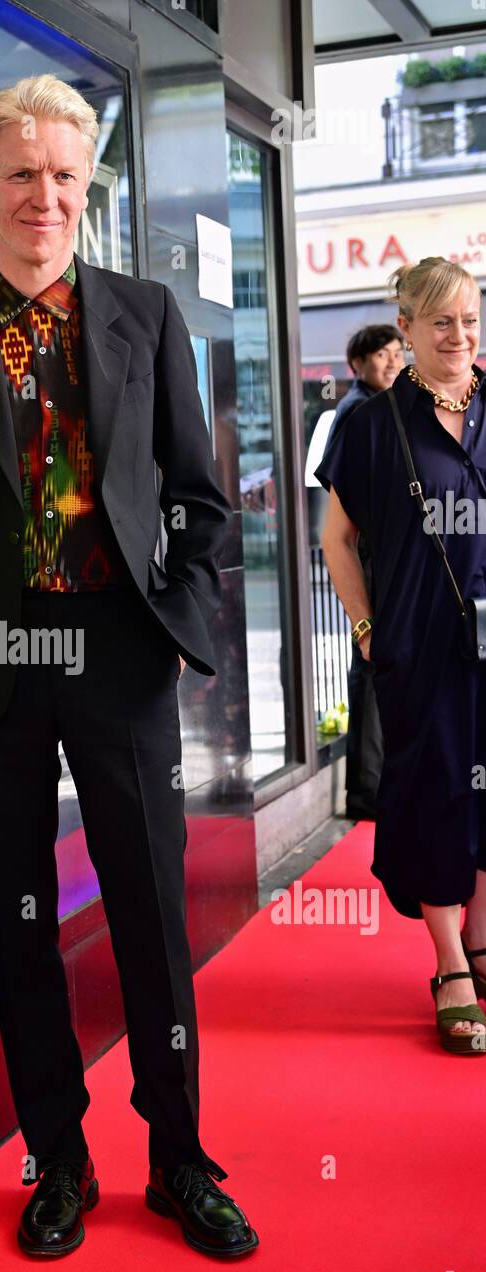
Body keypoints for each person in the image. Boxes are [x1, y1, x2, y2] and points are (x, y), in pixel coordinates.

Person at [0, 74, 258, 1258]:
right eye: (22, 172)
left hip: (118, 652)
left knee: (149, 914)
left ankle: (181, 1156)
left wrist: (178, 626)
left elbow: (200, 498)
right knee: (22, 918)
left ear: (85, 187)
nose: (45, 195)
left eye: (65, 175)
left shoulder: (147, 315)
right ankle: (59, 1159)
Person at [316, 256, 486, 1054]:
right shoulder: (373, 424)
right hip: (420, 642)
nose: (459, 336)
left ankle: (480, 940)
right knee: (438, 790)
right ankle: (451, 963)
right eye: (442, 321)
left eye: (471, 319)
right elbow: (336, 539)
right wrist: (365, 625)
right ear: (407, 328)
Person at [325, 326, 405, 821]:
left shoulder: (370, 404)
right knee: (373, 667)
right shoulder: (360, 411)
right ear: (357, 363)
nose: (393, 362)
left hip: (375, 557)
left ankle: (369, 787)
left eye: (398, 353)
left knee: (373, 671)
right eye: (382, 355)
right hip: (372, 560)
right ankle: (368, 790)